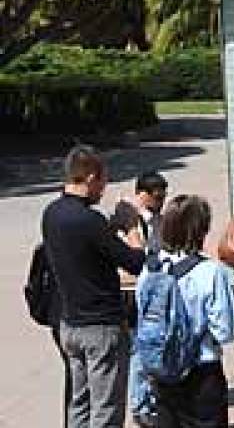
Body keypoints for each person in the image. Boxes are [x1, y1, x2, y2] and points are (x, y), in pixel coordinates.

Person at [42, 145, 146, 428]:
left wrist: (109, 228)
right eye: (102, 181)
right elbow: (136, 263)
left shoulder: (52, 214)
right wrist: (133, 226)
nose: (103, 189)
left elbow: (88, 250)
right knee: (106, 408)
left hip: (70, 323)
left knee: (80, 402)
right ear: (89, 177)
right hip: (100, 327)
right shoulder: (89, 220)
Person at [139, 195, 234, 428]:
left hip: (161, 367)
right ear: (201, 230)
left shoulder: (150, 267)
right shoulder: (209, 271)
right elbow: (225, 331)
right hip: (201, 371)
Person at [109, 171, 168, 426]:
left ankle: (146, 398)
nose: (161, 202)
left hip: (149, 288)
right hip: (131, 293)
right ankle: (140, 404)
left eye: (164, 196)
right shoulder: (128, 222)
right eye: (157, 197)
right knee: (139, 350)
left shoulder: (156, 219)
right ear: (142, 194)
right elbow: (134, 258)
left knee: (146, 348)